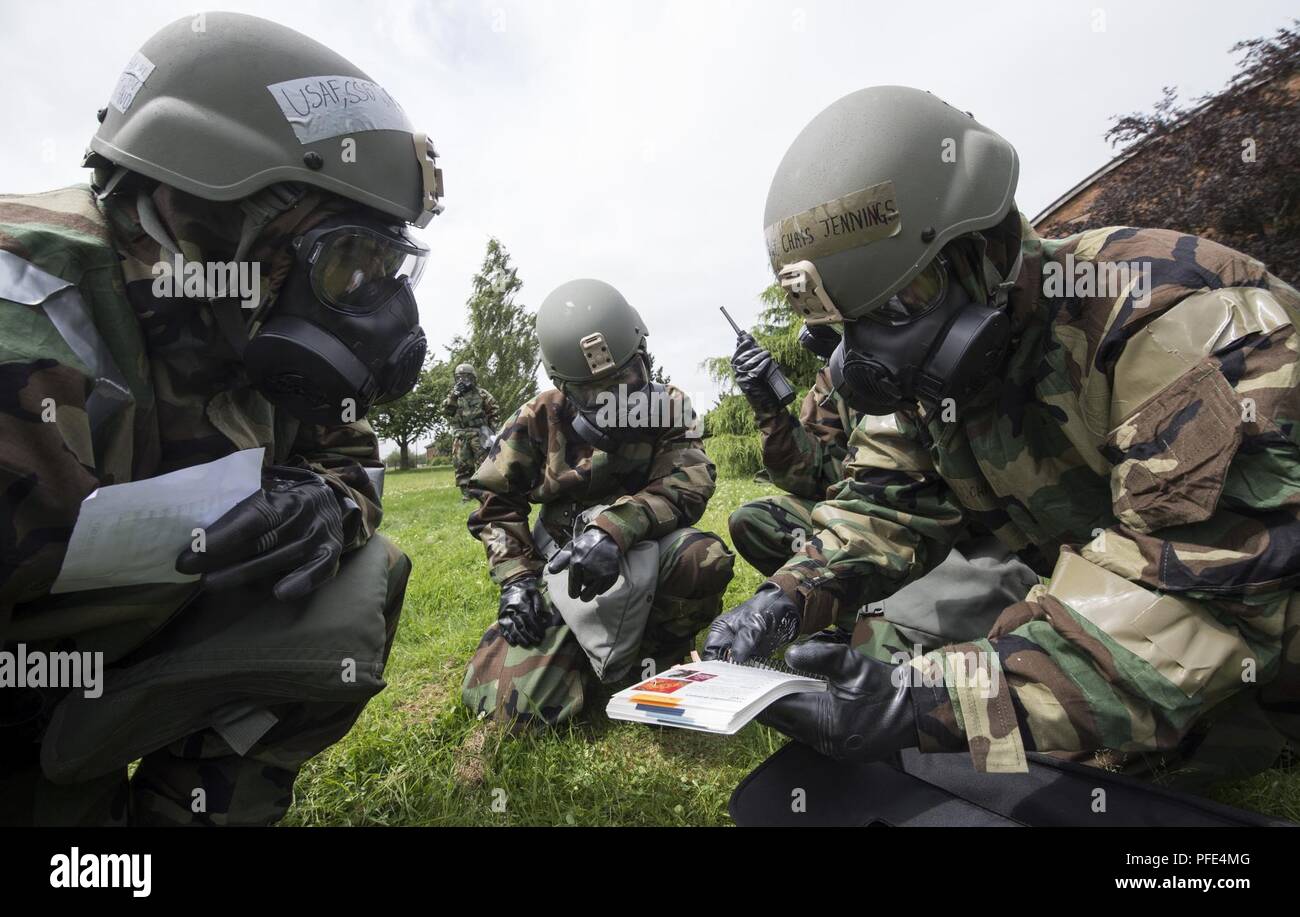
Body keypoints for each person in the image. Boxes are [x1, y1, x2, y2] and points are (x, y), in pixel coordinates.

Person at [706, 85, 1300, 787]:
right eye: (844, 328)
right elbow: (882, 506)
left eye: (895, 307)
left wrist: (935, 702)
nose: (869, 360)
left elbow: (1199, 600)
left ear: (984, 249)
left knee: (1088, 765)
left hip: (1260, 626)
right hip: (1100, 579)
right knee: (898, 654)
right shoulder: (929, 371)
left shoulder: (1178, 324)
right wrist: (785, 598)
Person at [0, 12, 444, 824]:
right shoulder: (23, 325)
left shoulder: (246, 318)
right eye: (349, 263)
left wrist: (327, 501)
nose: (373, 311)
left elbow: (353, 456)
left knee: (349, 591)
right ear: (206, 210)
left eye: (385, 269)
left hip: (97, 659)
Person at [462, 278, 735, 726]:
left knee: (701, 558)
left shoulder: (669, 405)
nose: (617, 400)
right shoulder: (535, 419)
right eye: (595, 392)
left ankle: (655, 651)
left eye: (628, 378)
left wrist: (614, 529)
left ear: (644, 358)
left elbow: (688, 481)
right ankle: (582, 655)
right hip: (563, 567)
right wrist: (516, 579)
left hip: (645, 549)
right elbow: (494, 501)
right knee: (510, 706)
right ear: (564, 387)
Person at [726, 325, 1038, 654]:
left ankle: (878, 622)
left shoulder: (933, 355)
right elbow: (808, 476)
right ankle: (851, 617)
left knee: (887, 651)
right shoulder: (835, 380)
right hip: (871, 518)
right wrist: (771, 413)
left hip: (954, 534)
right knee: (756, 520)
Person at [443, 363, 499, 500]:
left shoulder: (482, 394)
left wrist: (493, 433)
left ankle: (484, 493)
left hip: (479, 434)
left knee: (483, 464)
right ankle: (466, 495)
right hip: (460, 435)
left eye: (466, 377)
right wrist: (454, 396)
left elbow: (494, 412)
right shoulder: (454, 396)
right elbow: (446, 411)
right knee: (462, 465)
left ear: (473, 378)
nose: (463, 380)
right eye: (459, 377)